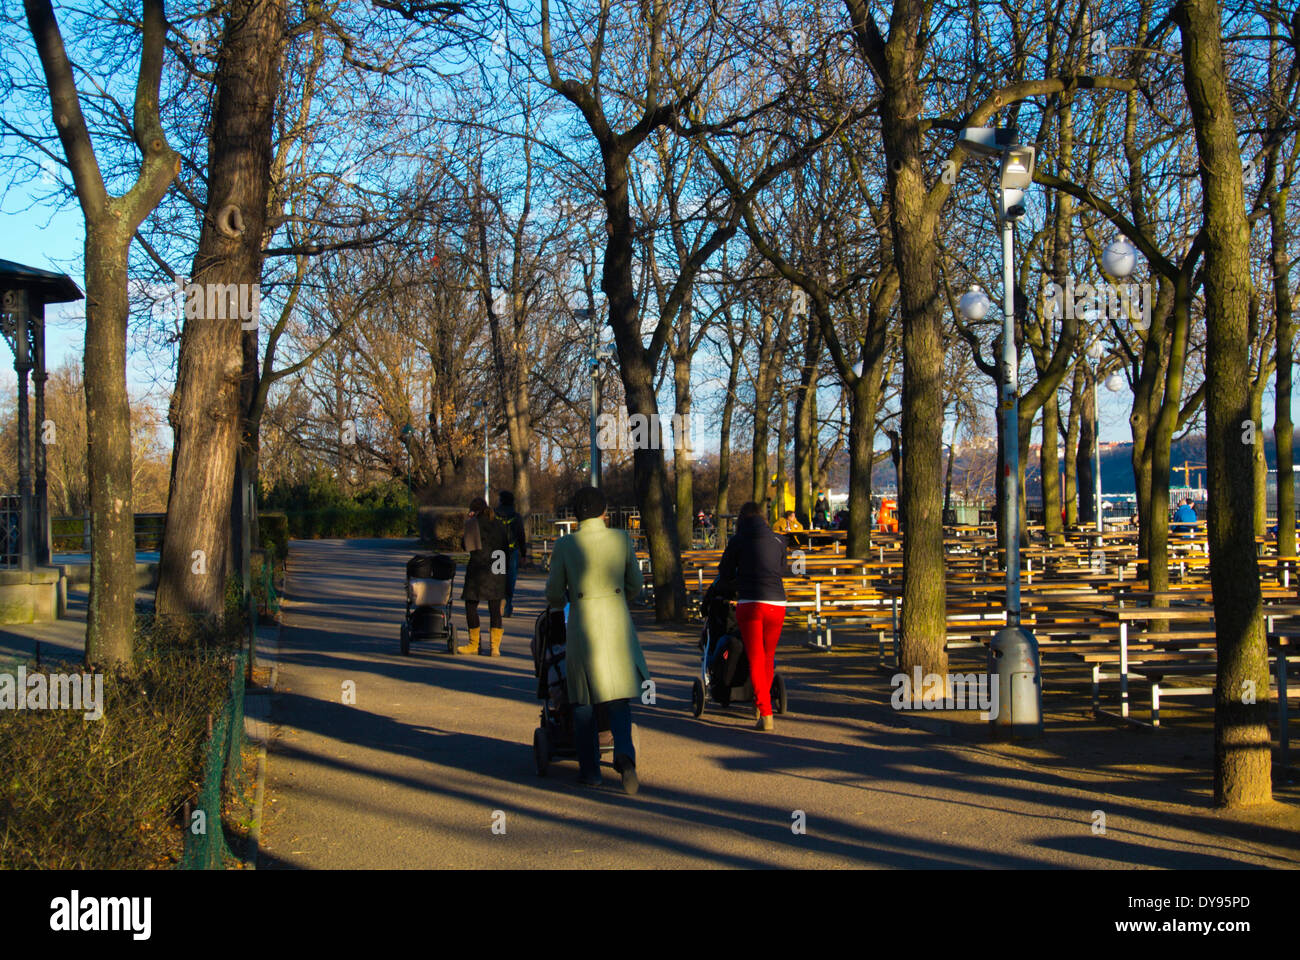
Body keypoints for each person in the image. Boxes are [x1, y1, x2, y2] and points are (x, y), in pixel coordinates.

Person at [545, 486, 649, 793]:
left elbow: (553, 592)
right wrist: (618, 600)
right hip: (616, 623)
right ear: (604, 512)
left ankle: (590, 771)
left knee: (582, 701)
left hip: (581, 624)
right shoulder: (621, 540)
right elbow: (636, 584)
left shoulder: (565, 545)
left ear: (576, 515)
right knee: (618, 699)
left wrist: (564, 599)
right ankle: (625, 758)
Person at [706, 501, 787, 731]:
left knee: (755, 657)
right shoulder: (779, 540)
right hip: (777, 603)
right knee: (768, 655)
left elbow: (724, 572)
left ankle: (766, 712)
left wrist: (738, 583)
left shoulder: (738, 540)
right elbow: (781, 570)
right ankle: (761, 705)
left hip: (750, 603)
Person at [457, 497, 508, 656]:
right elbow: (506, 546)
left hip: (479, 567)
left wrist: (468, 523)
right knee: (495, 609)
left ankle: (474, 644)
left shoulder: (473, 524)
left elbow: (466, 546)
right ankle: (495, 647)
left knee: (471, 604)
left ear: (474, 510)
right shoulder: (499, 524)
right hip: (498, 566)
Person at [496, 491, 528, 617]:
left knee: (497, 578)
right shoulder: (516, 516)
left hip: (496, 551)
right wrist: (524, 553)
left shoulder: (494, 514)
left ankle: (497, 604)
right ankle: (507, 606)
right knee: (510, 579)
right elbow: (521, 535)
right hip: (511, 550)